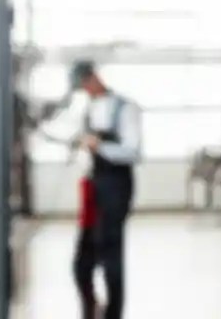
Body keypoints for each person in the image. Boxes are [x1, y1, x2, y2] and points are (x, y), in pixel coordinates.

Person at [67, 60, 142, 319]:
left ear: (94, 78)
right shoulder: (89, 109)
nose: (85, 91)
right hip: (93, 186)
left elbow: (133, 152)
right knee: (81, 262)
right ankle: (90, 310)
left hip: (116, 186)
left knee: (111, 256)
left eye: (85, 84)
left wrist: (100, 147)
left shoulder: (126, 108)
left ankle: (113, 314)